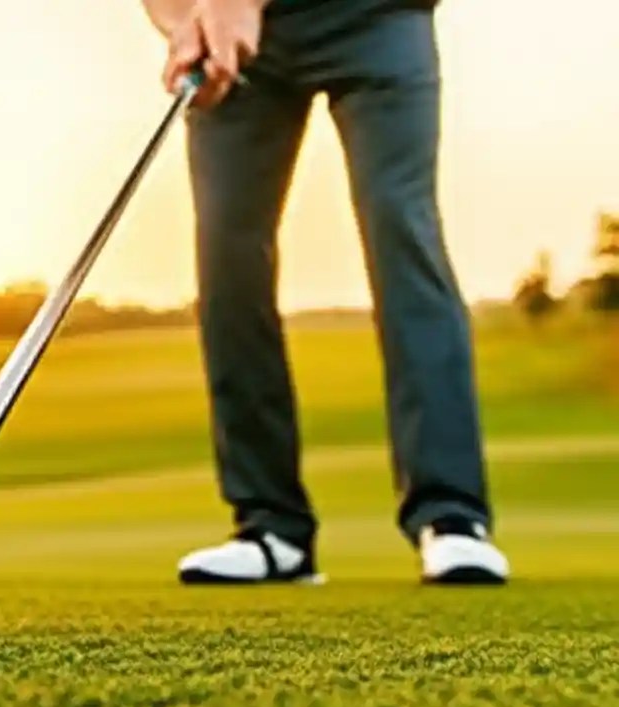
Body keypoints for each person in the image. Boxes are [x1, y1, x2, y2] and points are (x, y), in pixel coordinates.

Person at [139, 0, 510, 584]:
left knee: (399, 228)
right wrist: (186, 23)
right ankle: (270, 527)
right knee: (226, 255)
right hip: (241, 33)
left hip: (377, 15)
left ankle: (451, 516)